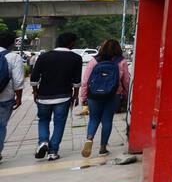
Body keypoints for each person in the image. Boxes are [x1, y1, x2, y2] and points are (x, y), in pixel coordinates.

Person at [29, 32, 84, 161]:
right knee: (59, 123)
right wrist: (75, 95)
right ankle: (53, 151)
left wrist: (35, 91)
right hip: (63, 96)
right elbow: (76, 81)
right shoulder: (76, 58)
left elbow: (34, 78)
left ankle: (43, 142)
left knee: (43, 120)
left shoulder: (44, 57)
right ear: (71, 43)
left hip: (43, 95)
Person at [78, 39, 132, 162]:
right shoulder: (121, 61)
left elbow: (86, 81)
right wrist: (126, 94)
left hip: (94, 95)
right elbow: (126, 81)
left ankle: (89, 138)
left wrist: (84, 97)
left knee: (93, 119)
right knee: (107, 120)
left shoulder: (94, 61)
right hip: (113, 95)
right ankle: (103, 148)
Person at [0, 31, 25, 165]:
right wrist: (19, 98)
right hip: (5, 98)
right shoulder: (13, 57)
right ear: (11, 44)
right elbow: (18, 81)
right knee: (0, 126)